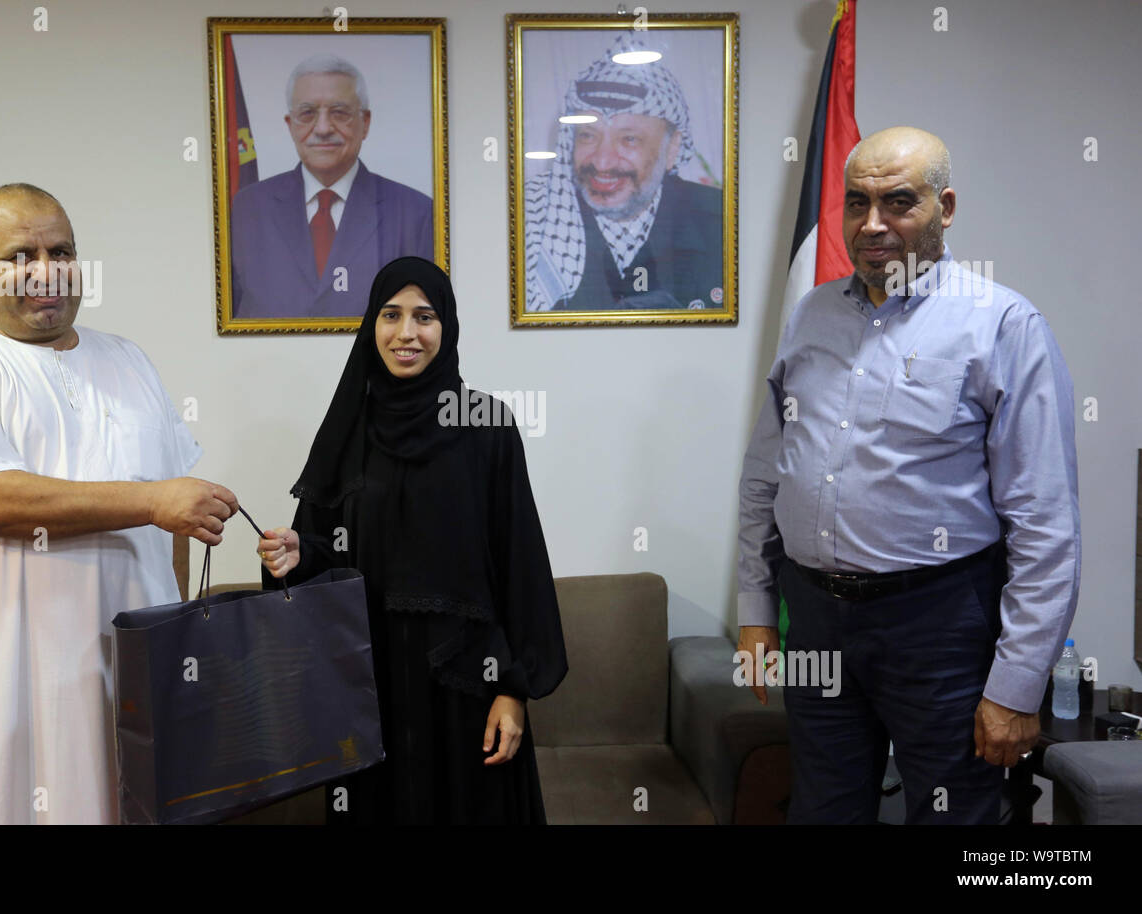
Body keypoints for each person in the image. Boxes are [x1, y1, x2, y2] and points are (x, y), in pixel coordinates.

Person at [736, 127, 1081, 824]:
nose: (872, 225)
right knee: (822, 810)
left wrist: (1017, 685)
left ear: (945, 208)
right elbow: (767, 472)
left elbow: (1044, 523)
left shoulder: (1002, 325)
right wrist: (753, 609)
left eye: (898, 202)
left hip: (941, 623)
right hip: (815, 618)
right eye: (856, 202)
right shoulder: (812, 315)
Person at [0, 183, 238, 824]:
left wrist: (177, 628)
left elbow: (175, 518)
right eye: (20, 256)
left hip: (132, 670)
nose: (45, 272)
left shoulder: (128, 360)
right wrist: (154, 501)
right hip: (15, 676)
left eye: (62, 251)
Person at [256, 256, 567, 823]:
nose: (406, 334)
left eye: (424, 316)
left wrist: (514, 691)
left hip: (470, 685)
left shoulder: (485, 427)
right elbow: (326, 558)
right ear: (370, 326)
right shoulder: (349, 430)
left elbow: (520, 562)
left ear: (445, 327)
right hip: (370, 693)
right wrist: (299, 557)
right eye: (390, 315)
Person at [524, 38, 723, 312]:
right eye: (588, 135)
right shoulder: (535, 218)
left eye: (629, 139)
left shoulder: (720, 220)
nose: (603, 161)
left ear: (672, 148)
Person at [230, 54, 434, 320]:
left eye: (339, 113)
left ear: (366, 123)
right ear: (290, 126)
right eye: (307, 113)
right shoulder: (247, 208)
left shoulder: (416, 213)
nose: (323, 128)